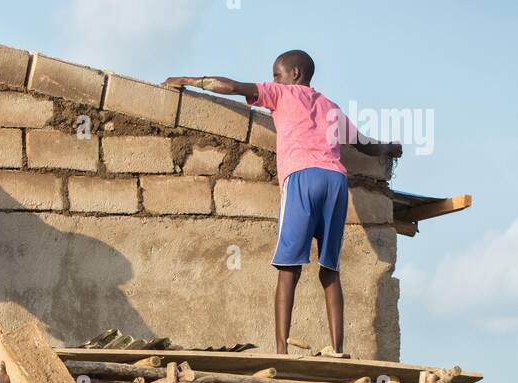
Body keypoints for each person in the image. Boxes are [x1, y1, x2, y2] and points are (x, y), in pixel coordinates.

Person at [163, 52, 402, 355]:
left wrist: (186, 80)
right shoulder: (331, 108)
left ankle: (281, 350)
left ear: (295, 74)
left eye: (277, 74)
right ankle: (337, 347)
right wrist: (391, 149)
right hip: (336, 182)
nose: (273, 79)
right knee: (330, 270)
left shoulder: (281, 93)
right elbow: (366, 146)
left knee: (289, 268)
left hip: (302, 177)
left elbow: (231, 86)